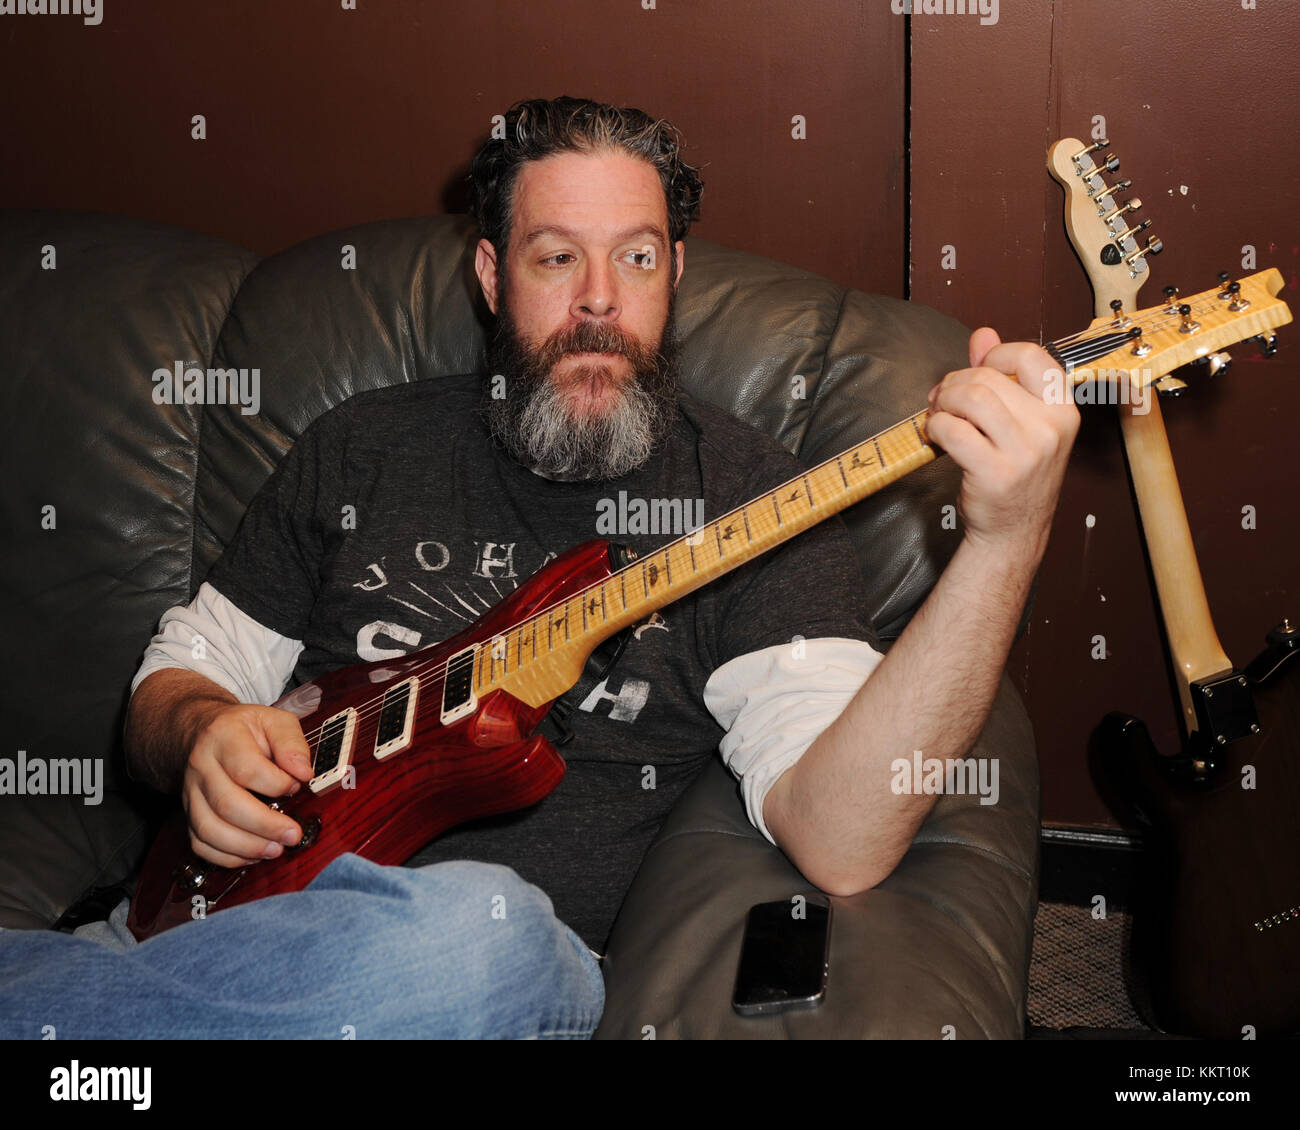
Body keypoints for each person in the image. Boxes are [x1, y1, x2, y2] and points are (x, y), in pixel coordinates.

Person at [0, 96, 1079, 1040]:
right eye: (556, 256)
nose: (599, 299)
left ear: (676, 276)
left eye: (638, 256)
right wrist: (198, 728)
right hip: (201, 936)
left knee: (489, 926)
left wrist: (1004, 539)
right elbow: (178, 676)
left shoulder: (755, 501)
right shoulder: (359, 445)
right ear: (489, 272)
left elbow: (842, 837)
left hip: (476, 982)